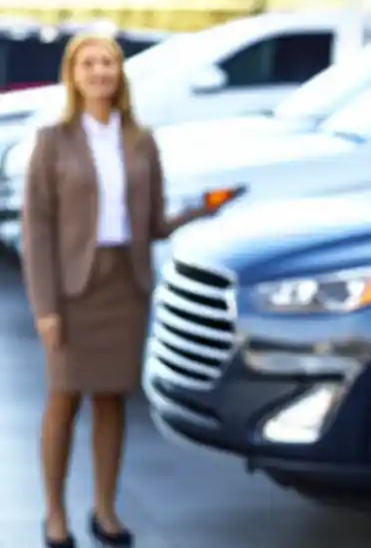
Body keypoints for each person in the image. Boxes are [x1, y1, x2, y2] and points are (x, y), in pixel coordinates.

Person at [22, 34, 229, 548]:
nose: (99, 72)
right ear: (73, 74)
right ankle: (54, 514)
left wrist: (201, 211)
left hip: (124, 285)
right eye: (89, 63)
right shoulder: (53, 141)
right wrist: (45, 306)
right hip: (71, 289)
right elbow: (37, 230)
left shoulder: (141, 139)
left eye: (108, 62)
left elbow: (153, 223)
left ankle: (106, 511)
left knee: (111, 401)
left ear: (120, 72)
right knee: (64, 400)